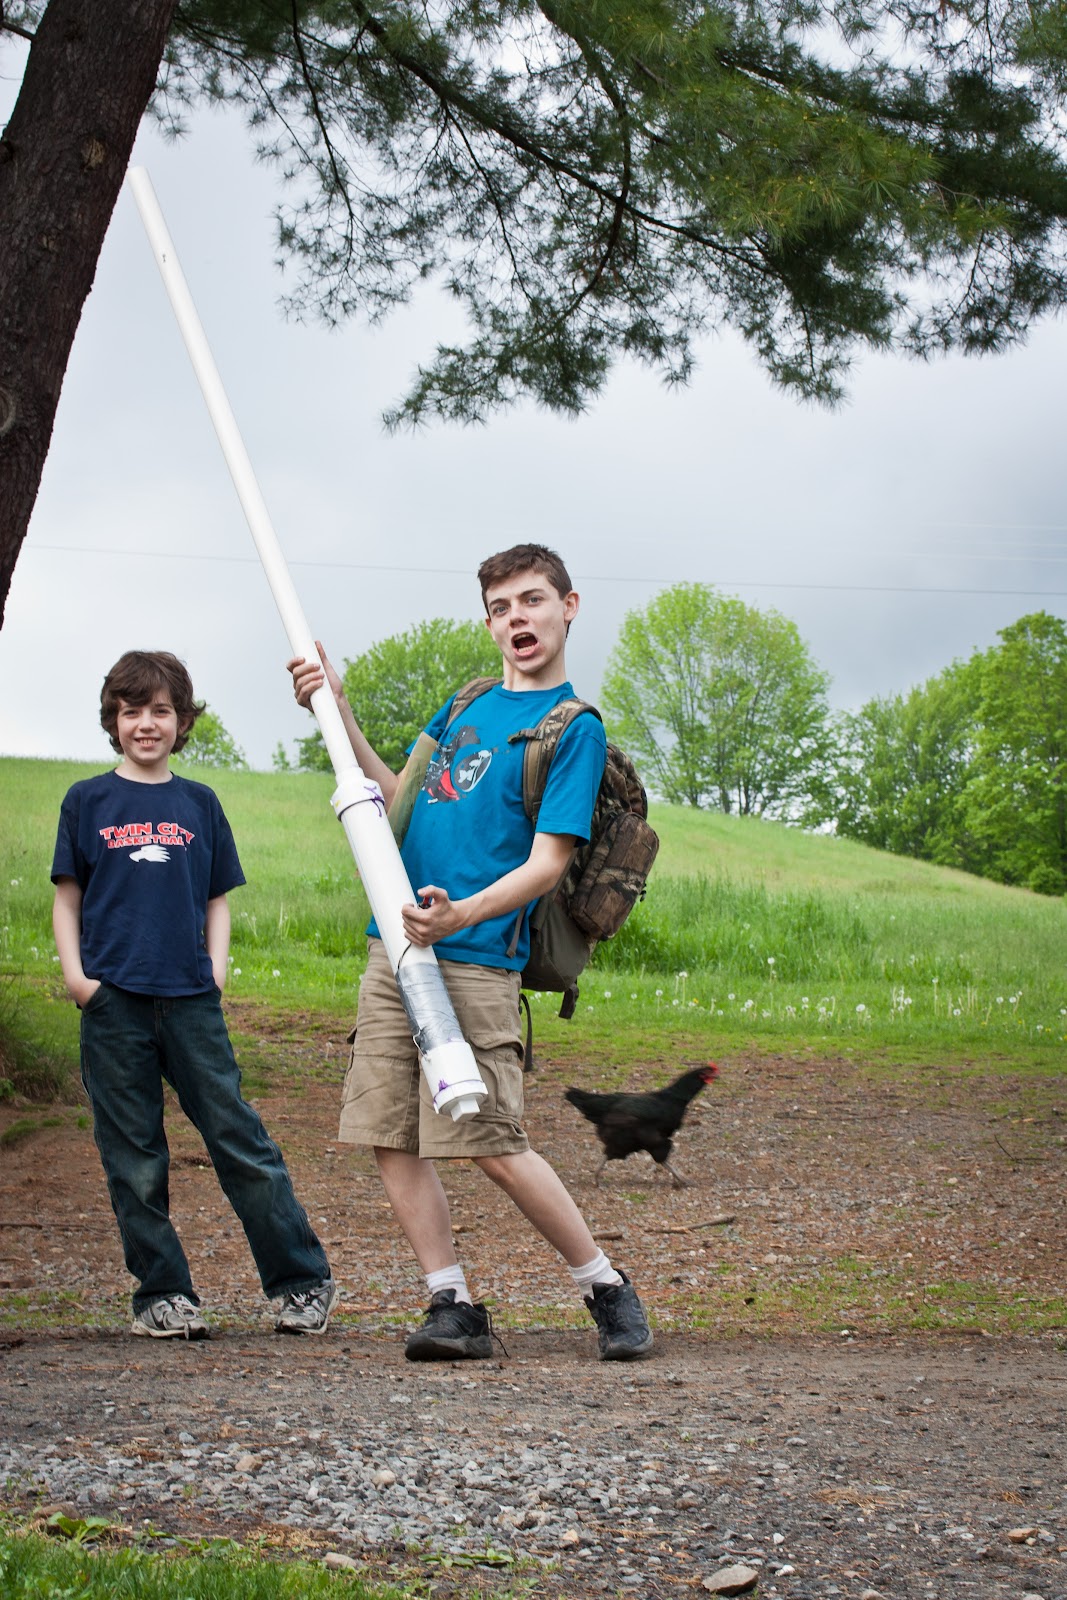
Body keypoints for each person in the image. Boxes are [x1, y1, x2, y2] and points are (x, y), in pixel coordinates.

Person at [288, 543, 652, 1362]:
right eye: (500, 608)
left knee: (490, 1141)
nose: (515, 619)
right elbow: (393, 798)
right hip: (395, 949)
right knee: (390, 1131)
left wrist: (461, 917)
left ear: (569, 606)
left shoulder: (571, 729)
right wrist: (336, 708)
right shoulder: (463, 706)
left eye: (530, 601)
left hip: (478, 955)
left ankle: (603, 1284)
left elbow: (548, 862)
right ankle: (451, 1303)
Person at [51, 650, 338, 1341]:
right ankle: (163, 1295)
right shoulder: (87, 801)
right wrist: (78, 980)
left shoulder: (197, 803)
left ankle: (301, 1283)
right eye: (131, 711)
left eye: (160, 711)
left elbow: (216, 899)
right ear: (112, 721)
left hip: (190, 1000)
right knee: (135, 1157)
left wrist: (216, 969)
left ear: (182, 722)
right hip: (113, 1001)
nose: (145, 723)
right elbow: (68, 899)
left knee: (239, 1140)